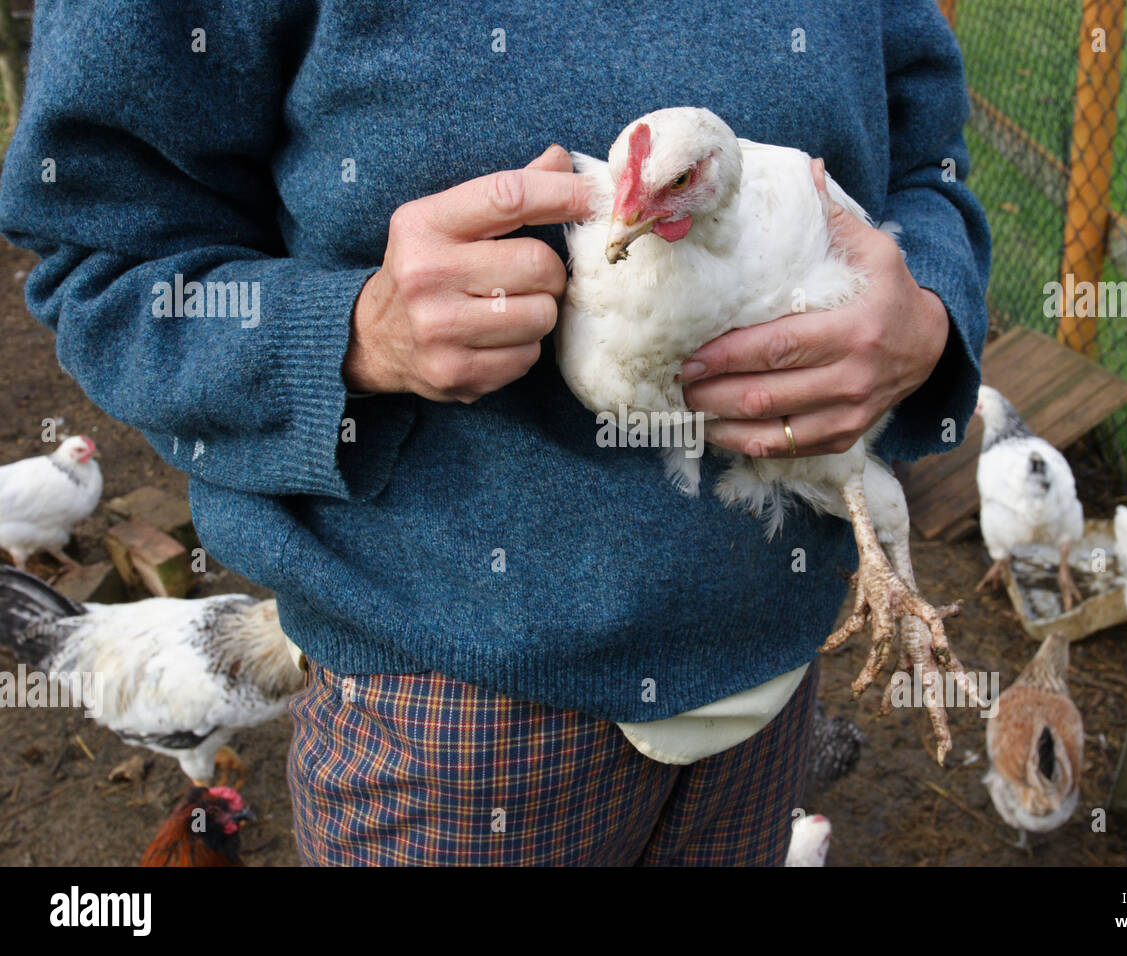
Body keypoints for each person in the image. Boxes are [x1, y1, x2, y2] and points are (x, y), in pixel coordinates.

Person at [0, 2, 989, 866]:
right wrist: (354, 331)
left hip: (779, 659)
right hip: (452, 711)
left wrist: (926, 316)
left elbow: (926, 167)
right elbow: (106, 258)